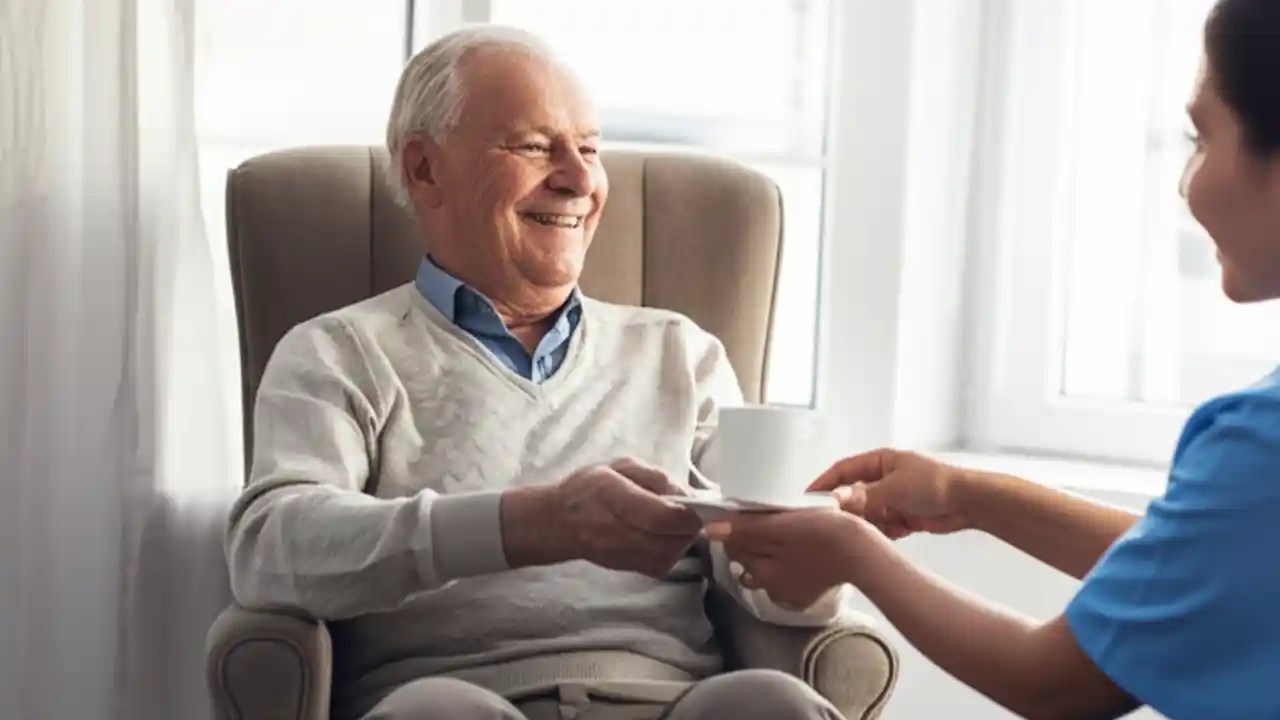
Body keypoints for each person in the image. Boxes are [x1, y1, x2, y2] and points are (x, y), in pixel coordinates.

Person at [225, 25, 852, 720]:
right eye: (532, 146)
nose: (580, 180)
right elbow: (269, 551)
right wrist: (528, 523)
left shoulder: (681, 353)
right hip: (451, 699)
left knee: (772, 703)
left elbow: (764, 580)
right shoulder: (336, 353)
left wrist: (813, 565)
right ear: (424, 169)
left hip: (670, 701)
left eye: (588, 148)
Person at [709, 0, 1280, 717]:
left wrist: (856, 553)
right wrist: (965, 496)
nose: (1183, 183)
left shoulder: (1259, 441)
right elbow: (1207, 564)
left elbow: (1055, 683)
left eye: (1201, 138)